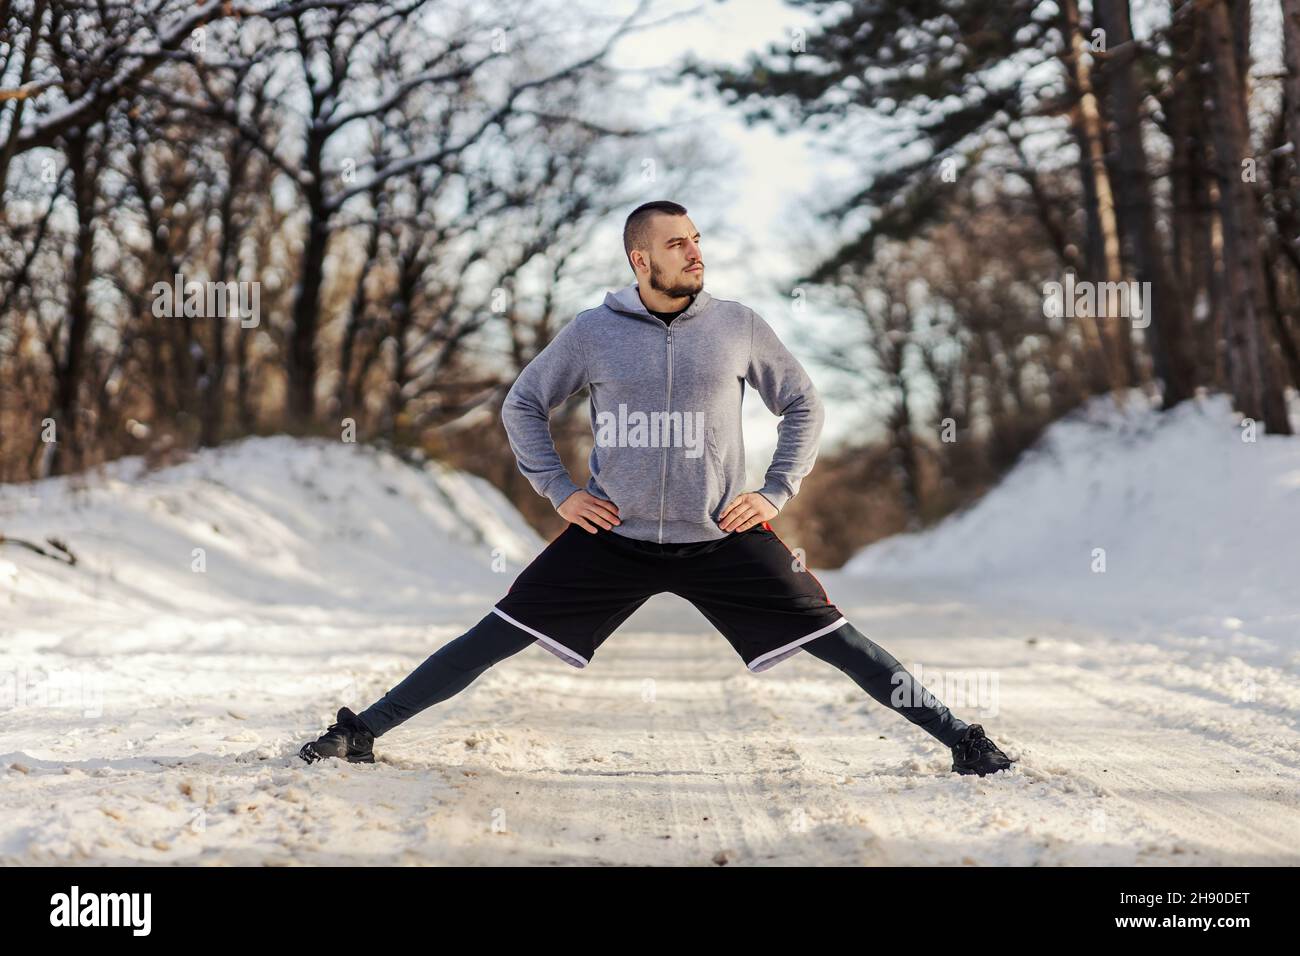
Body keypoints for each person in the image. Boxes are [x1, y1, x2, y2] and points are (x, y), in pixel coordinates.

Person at [300, 200, 1013, 776]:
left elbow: (804, 403)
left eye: (698, 239)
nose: (695, 251)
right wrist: (557, 488)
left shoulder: (738, 325)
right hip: (613, 537)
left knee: (840, 640)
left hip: (725, 536)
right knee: (495, 635)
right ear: (640, 259)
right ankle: (361, 732)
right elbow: (522, 403)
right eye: (678, 243)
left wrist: (774, 492)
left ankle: (963, 741)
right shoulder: (592, 332)